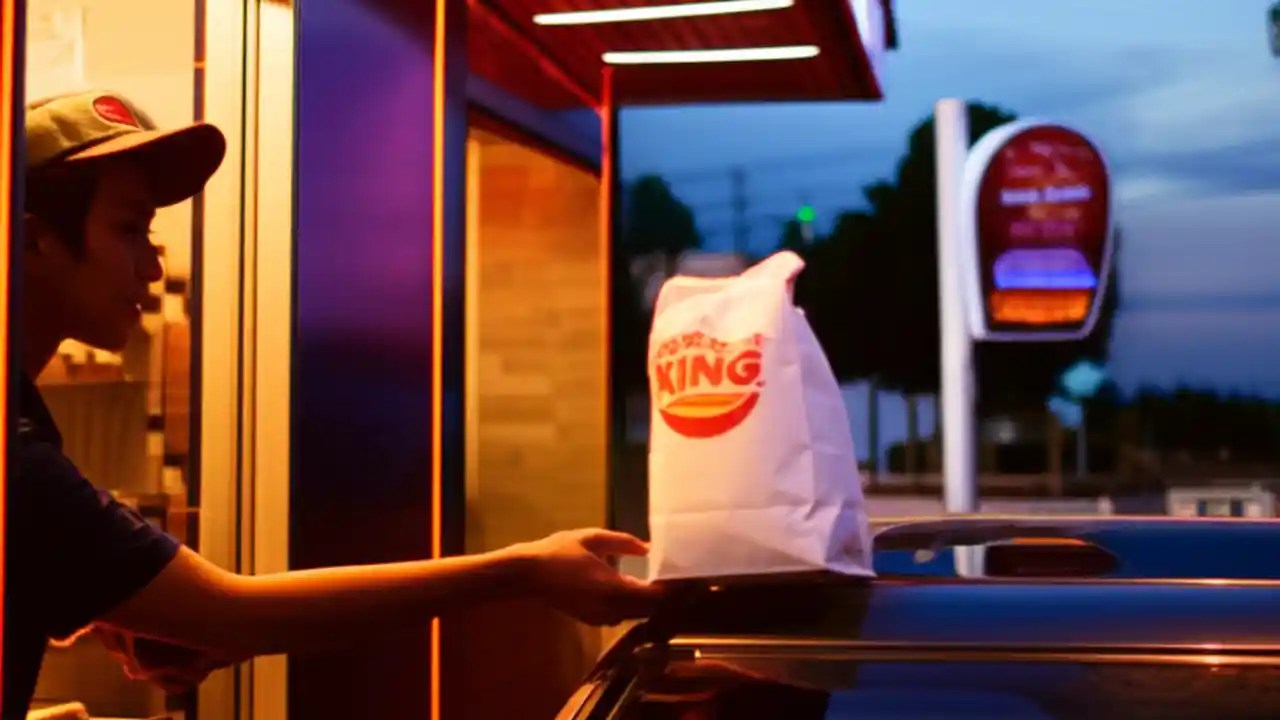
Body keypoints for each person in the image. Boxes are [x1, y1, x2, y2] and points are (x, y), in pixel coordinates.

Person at [6, 91, 661, 718]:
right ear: (33, 240)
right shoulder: (18, 451)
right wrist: (524, 570)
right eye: (129, 229)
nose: (151, 267)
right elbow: (233, 612)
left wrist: (107, 604)